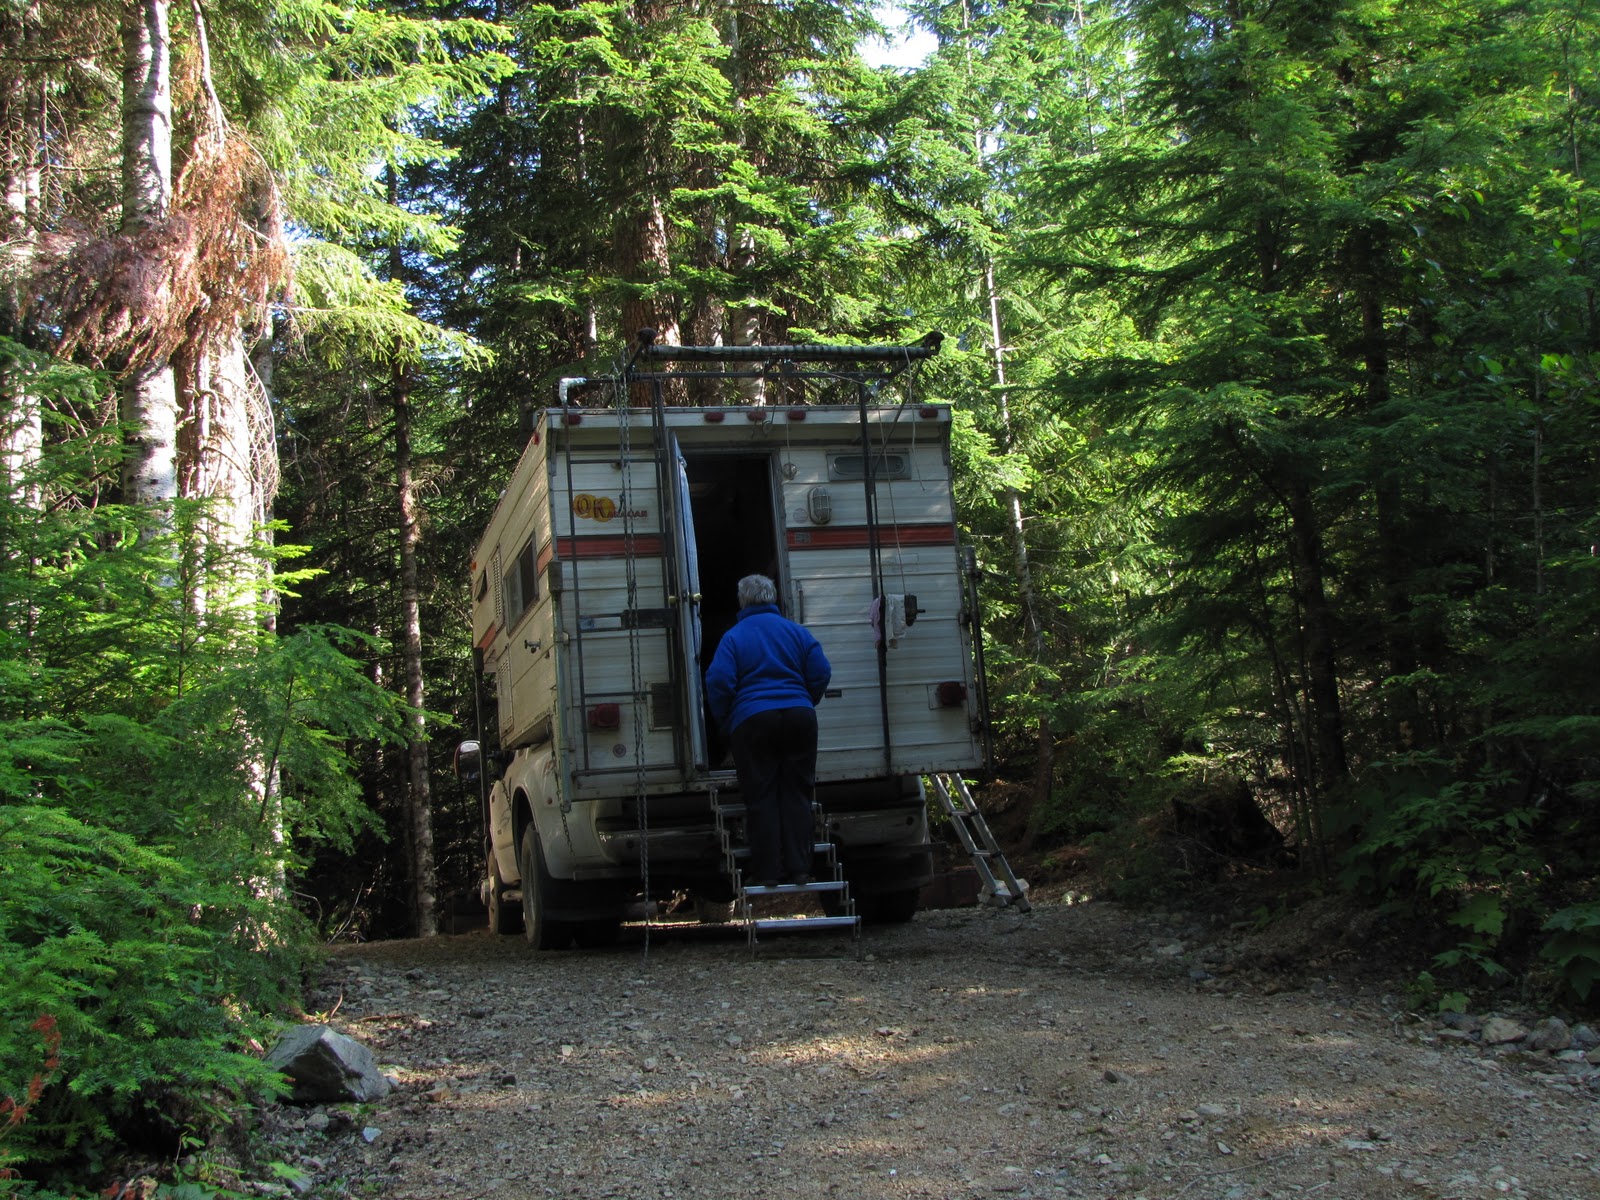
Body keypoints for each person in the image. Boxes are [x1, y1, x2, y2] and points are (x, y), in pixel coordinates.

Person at [704, 574, 831, 887]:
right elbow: (821, 671)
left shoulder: (733, 637)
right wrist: (804, 699)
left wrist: (727, 720)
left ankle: (769, 872)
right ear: (773, 598)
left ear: (743, 601)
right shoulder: (797, 633)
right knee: (798, 793)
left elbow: (718, 681)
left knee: (761, 797)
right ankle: (801, 869)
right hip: (800, 717)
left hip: (753, 720)